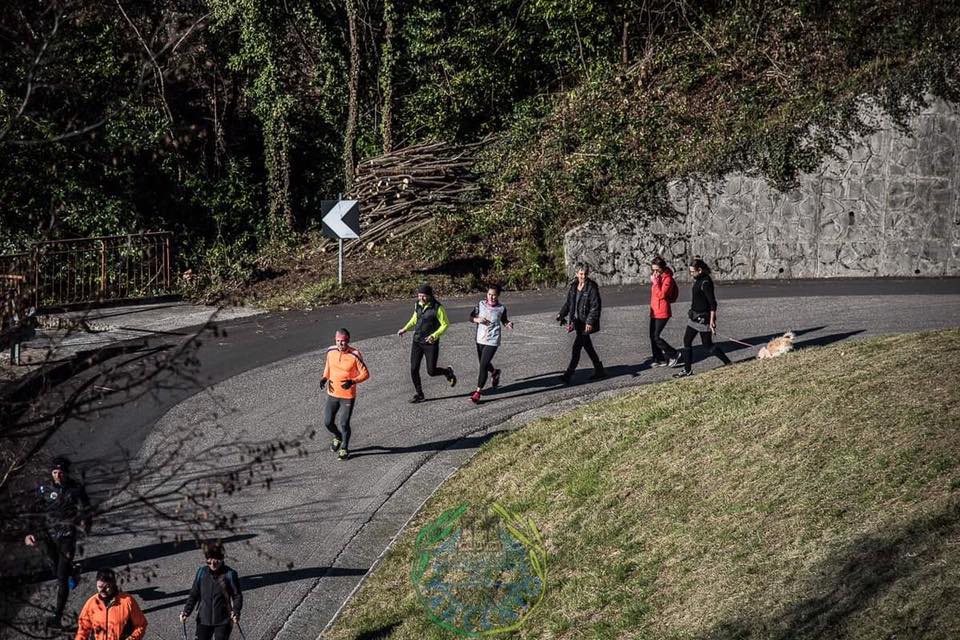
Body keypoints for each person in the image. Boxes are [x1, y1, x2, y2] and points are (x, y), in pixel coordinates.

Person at [24, 456, 92, 628]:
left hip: (67, 536)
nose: (57, 475)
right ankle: (73, 572)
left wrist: (86, 523)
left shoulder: (76, 489)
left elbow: (86, 508)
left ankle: (57, 617)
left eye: (61, 472)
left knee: (61, 578)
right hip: (48, 537)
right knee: (56, 569)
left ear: (66, 473)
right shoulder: (44, 489)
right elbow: (33, 511)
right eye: (54, 472)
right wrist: (29, 532)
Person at [673, 258, 732, 378]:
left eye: (692, 272)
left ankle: (728, 362)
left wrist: (712, 321)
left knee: (707, 345)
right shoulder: (698, 280)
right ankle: (687, 370)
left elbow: (712, 303)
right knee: (687, 341)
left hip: (703, 318)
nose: (691, 274)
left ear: (699, 270)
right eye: (690, 272)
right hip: (694, 316)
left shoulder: (705, 283)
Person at [397, 284, 457, 403]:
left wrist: (434, 335)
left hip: (430, 343)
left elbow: (445, 324)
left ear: (429, 296)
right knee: (414, 368)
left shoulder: (437, 308)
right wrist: (405, 328)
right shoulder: (417, 304)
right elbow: (415, 318)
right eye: (419, 295)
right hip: (417, 341)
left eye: (424, 296)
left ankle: (447, 372)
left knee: (431, 371)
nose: (421, 298)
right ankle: (419, 394)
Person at [319, 327, 370, 460]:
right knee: (328, 422)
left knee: (344, 423)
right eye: (338, 341)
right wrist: (324, 378)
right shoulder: (331, 351)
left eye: (343, 341)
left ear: (348, 340)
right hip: (333, 393)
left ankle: (344, 448)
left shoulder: (355, 354)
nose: (340, 344)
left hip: (347, 396)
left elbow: (365, 374)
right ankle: (338, 436)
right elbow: (328, 367)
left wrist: (352, 382)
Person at [180, 542, 243, 640]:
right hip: (203, 619)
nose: (213, 563)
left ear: (222, 558)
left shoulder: (230, 574)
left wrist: (236, 611)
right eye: (209, 560)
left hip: (223, 620)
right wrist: (186, 611)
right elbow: (194, 594)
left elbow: (237, 595)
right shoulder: (201, 573)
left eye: (216, 559)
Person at [557, 263, 605, 383]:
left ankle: (568, 374)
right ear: (576, 274)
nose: (583, 276)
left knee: (576, 348)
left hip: (585, 323)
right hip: (577, 322)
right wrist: (561, 314)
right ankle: (599, 369)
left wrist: (590, 322)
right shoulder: (573, 286)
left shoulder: (592, 287)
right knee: (588, 346)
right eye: (581, 274)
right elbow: (569, 303)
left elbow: (595, 307)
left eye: (585, 274)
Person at [468, 284, 514, 403]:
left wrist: (508, 324)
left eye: (494, 295)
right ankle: (495, 372)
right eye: (489, 294)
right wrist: (477, 320)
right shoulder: (480, 304)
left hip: (493, 340)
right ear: (486, 294)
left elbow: (504, 320)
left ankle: (478, 392)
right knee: (484, 363)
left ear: (498, 295)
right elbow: (471, 317)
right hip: (480, 339)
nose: (491, 297)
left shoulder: (501, 308)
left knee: (483, 365)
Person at [75, 568, 147, 640]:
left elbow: (141, 624)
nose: (102, 591)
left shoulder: (127, 601)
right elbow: (83, 630)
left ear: (113, 584)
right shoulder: (91, 603)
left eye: (107, 587)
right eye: (99, 587)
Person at [648, 256, 679, 367]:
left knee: (656, 336)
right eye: (653, 270)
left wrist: (656, 283)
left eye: (657, 269)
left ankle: (673, 354)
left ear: (663, 268)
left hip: (662, 311)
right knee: (652, 336)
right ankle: (658, 358)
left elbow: (662, 295)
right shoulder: (659, 277)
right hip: (654, 310)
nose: (655, 272)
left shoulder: (668, 279)